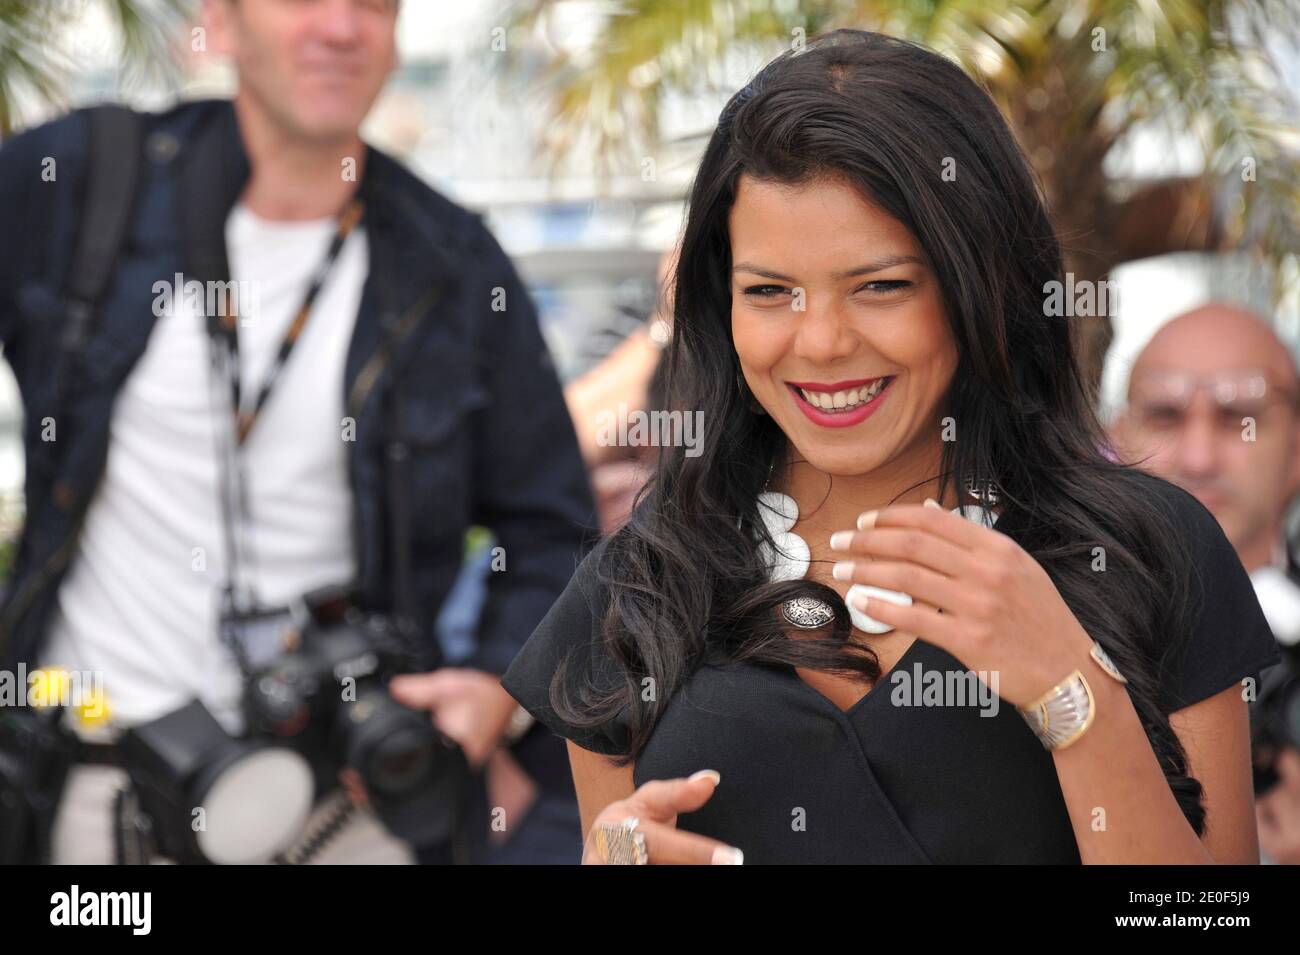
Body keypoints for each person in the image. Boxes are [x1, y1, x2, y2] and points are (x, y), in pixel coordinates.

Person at [500, 29, 1282, 864]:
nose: (823, 341)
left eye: (880, 286)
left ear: (979, 283)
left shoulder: (1150, 553)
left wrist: (1069, 685)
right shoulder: (636, 591)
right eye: (770, 292)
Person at [0, 0, 595, 863]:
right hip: (99, 793)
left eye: (373, 5)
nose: (340, 27)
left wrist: (495, 688)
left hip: (348, 804)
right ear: (222, 21)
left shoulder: (453, 262)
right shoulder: (83, 180)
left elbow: (553, 527)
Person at [1109, 302, 1300, 864]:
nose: (1198, 458)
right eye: (1166, 416)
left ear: (1296, 446)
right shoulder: (1041, 623)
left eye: (1237, 417)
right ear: (1116, 439)